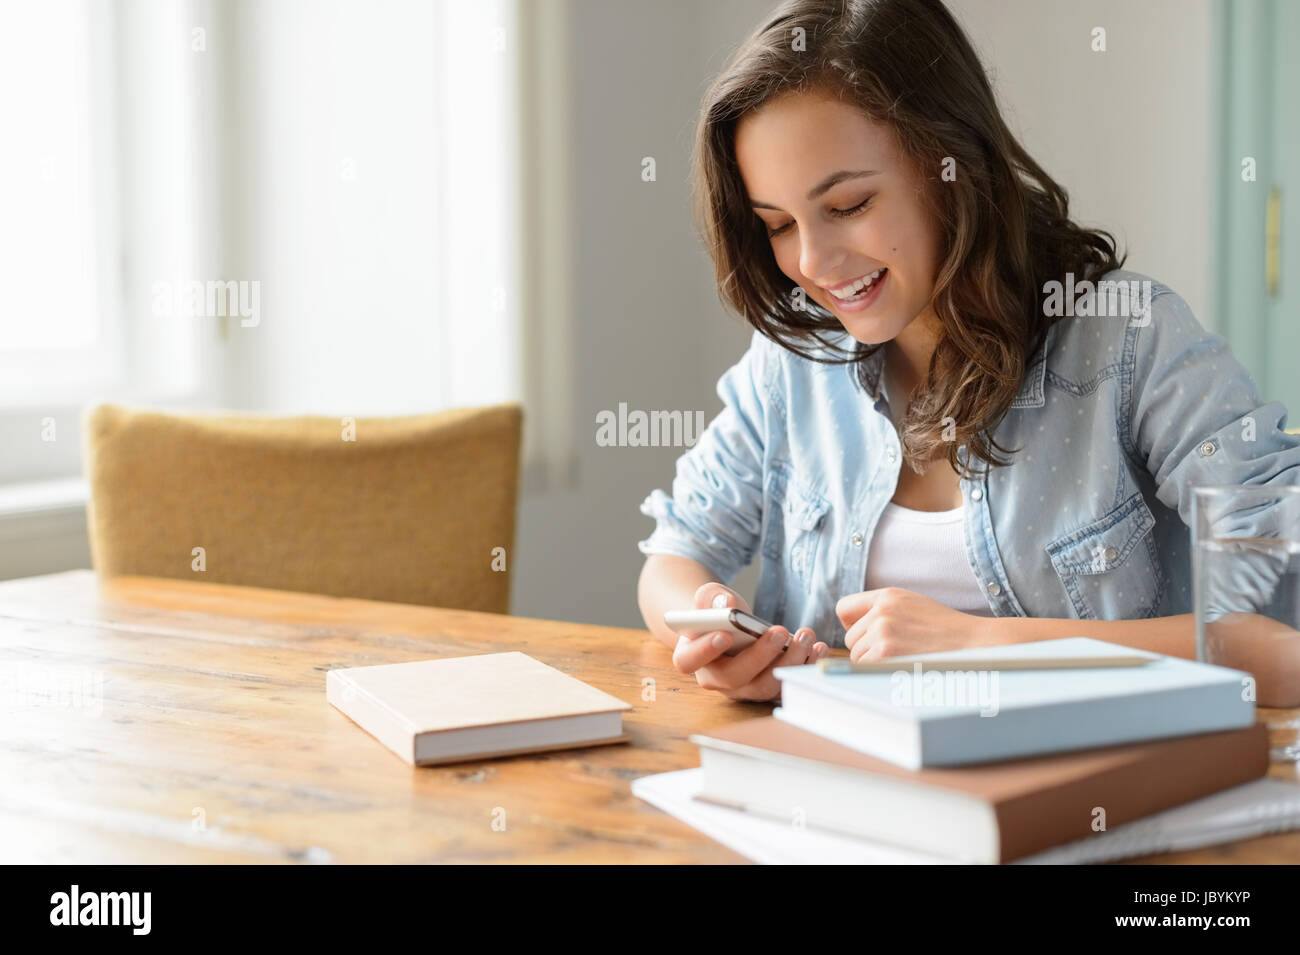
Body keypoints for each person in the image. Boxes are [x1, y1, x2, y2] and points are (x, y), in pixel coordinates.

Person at [635, 0, 1300, 702]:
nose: (812, 261)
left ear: (949, 161)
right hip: (842, 784)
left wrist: (985, 645)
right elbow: (672, 557)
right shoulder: (792, 367)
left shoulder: (1129, 339)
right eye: (777, 224)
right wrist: (711, 629)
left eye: (848, 206)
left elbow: (1278, 637)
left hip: (1082, 796)